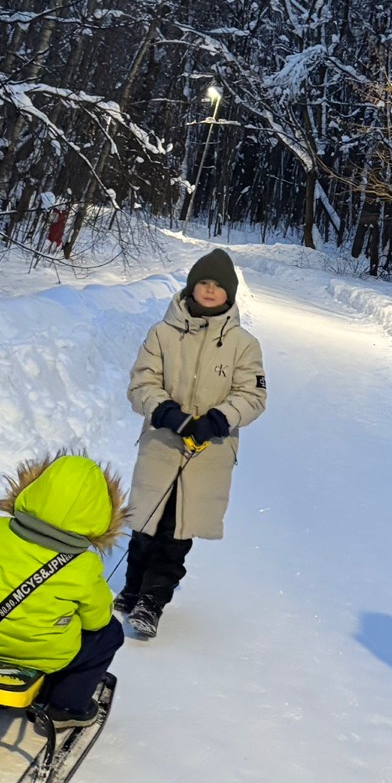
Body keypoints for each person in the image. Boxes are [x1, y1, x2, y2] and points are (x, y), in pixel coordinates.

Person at [118, 248, 267, 638]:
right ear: (192, 286)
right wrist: (165, 411)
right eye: (203, 282)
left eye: (218, 285)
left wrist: (218, 419)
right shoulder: (162, 334)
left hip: (208, 453)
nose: (210, 290)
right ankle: (132, 587)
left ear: (229, 294)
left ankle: (153, 601)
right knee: (146, 521)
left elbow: (252, 396)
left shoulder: (244, 344)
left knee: (177, 530)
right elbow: (141, 383)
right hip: (162, 442)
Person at [0, 452, 126, 724]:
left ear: (35, 488)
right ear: (100, 514)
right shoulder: (85, 566)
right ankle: (66, 707)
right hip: (45, 656)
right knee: (110, 634)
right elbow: (96, 620)